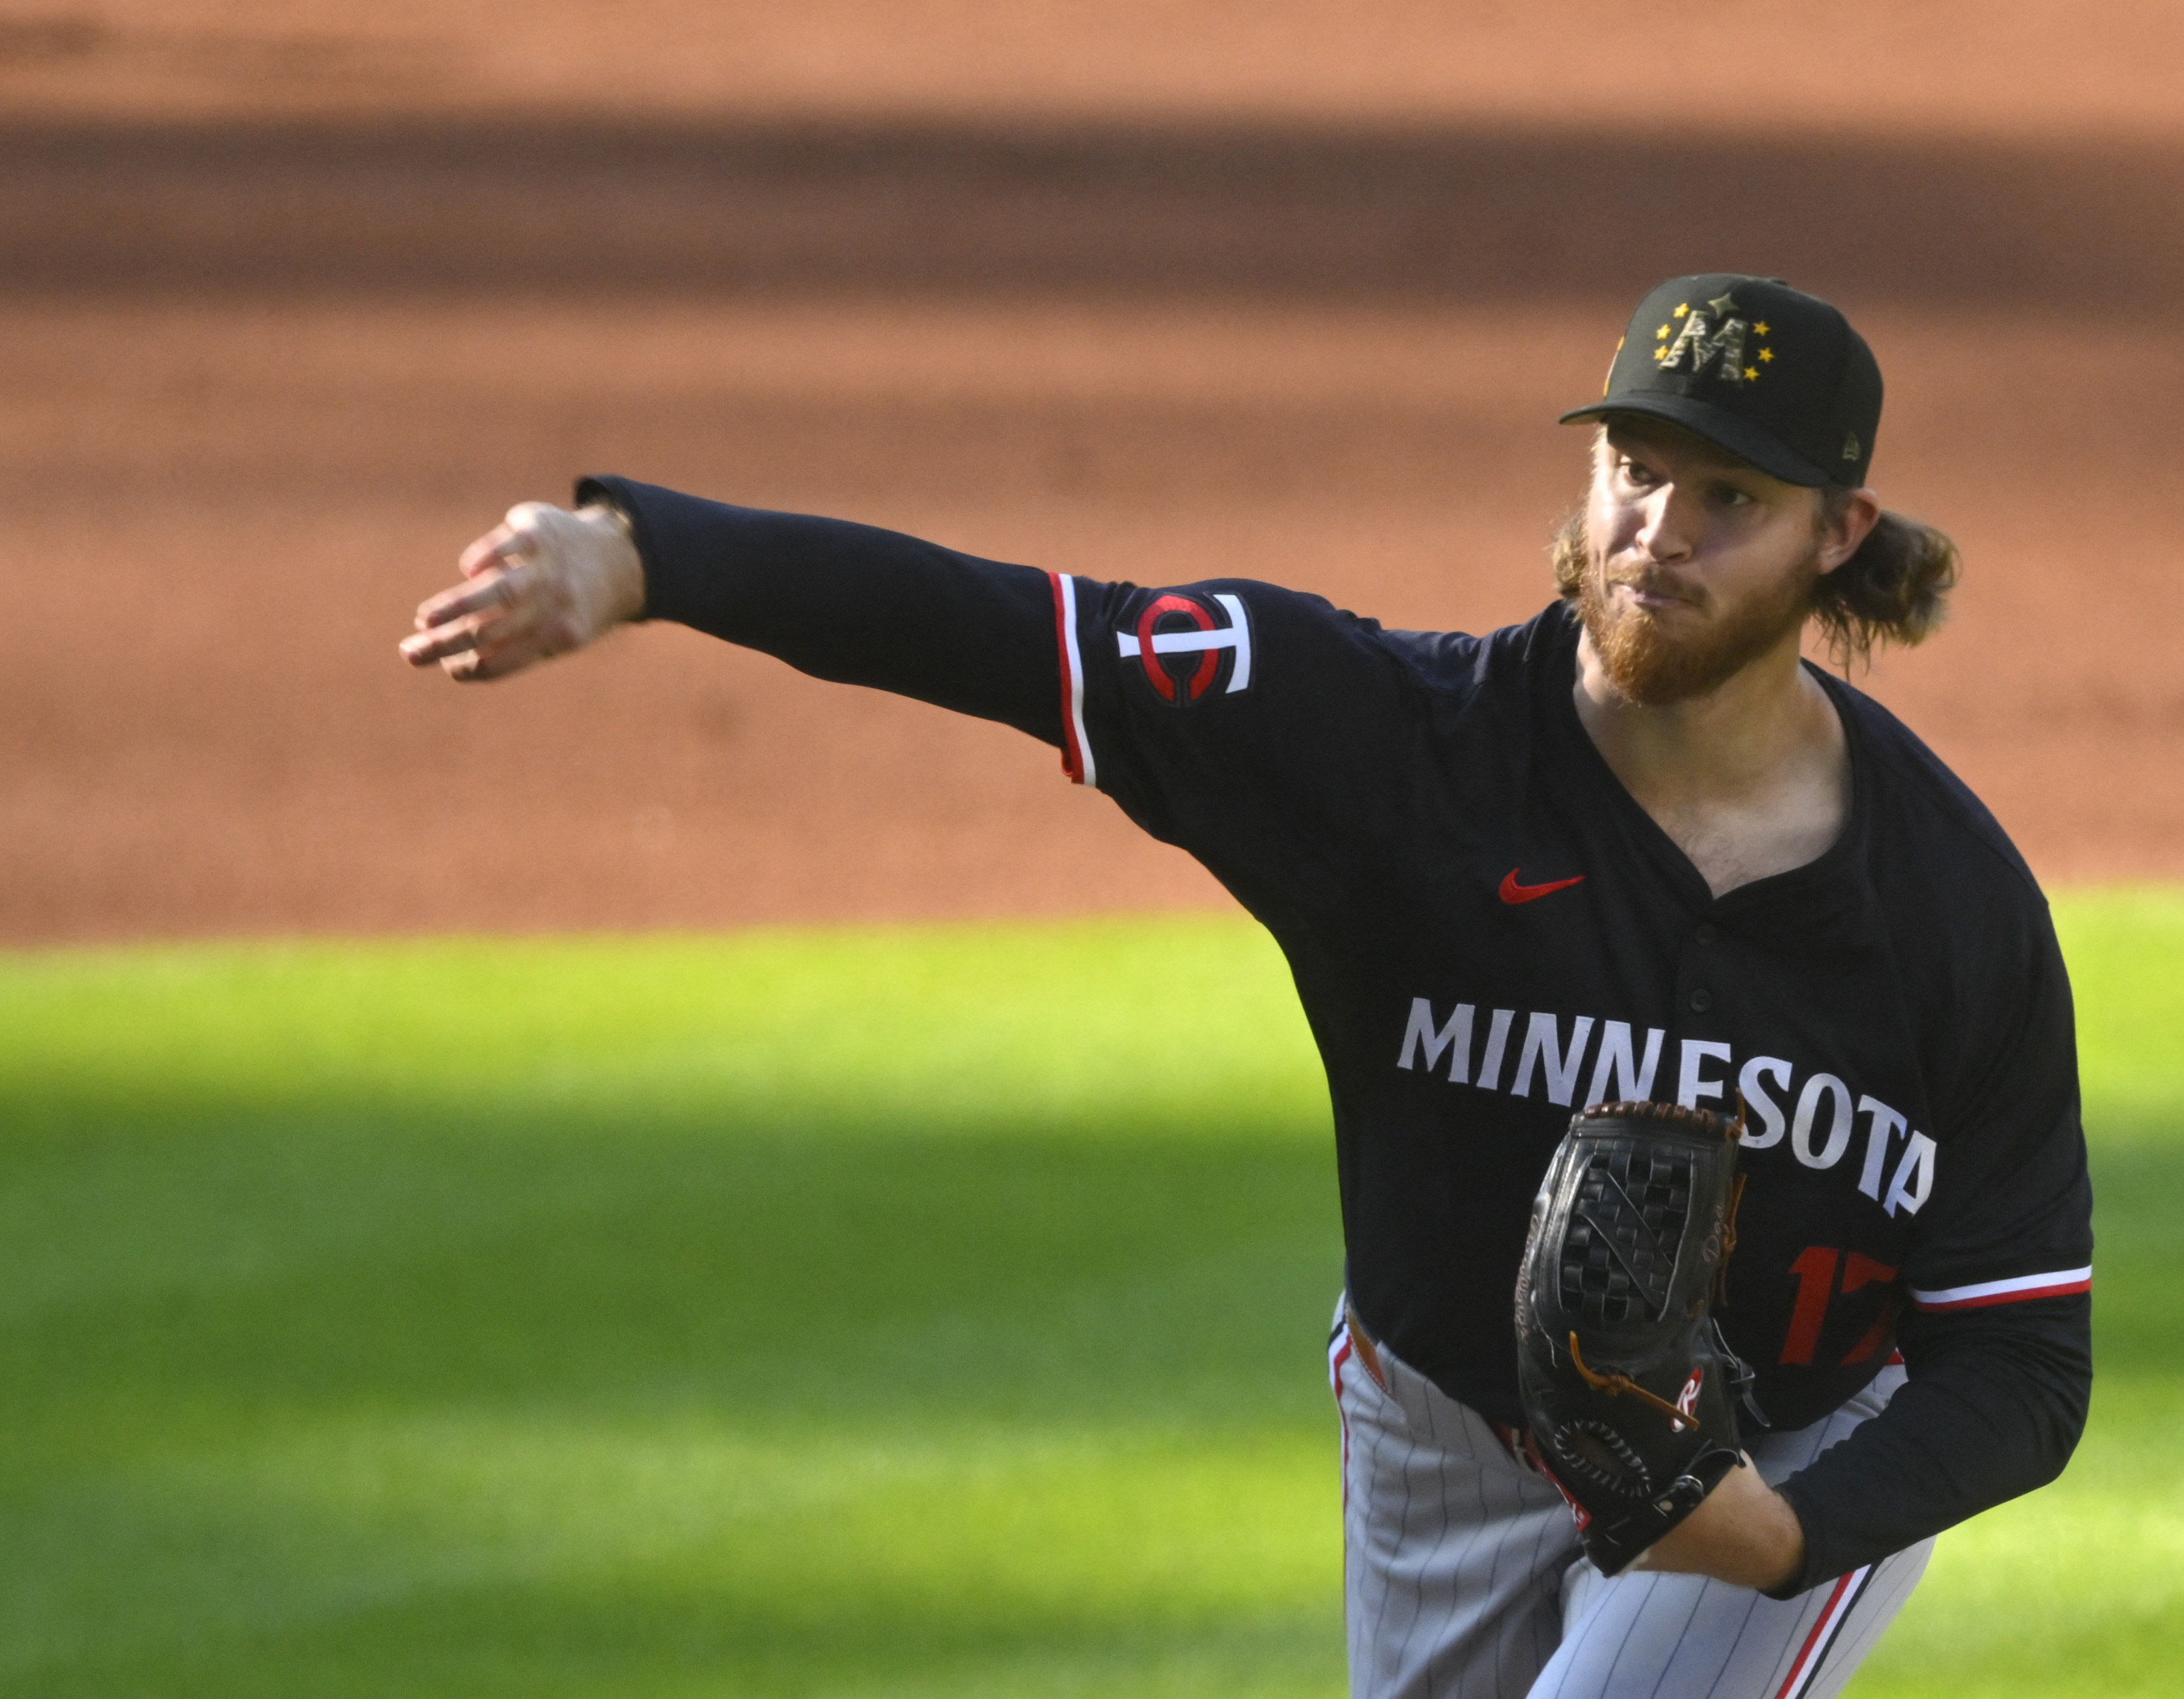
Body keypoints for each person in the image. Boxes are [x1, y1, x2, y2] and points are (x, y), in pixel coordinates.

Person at [399, 275, 2092, 1699]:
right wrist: (644, 559)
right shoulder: (1384, 743)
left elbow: (2018, 1362)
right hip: (1435, 1427)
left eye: (1727, 498)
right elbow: (1015, 631)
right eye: (1633, 470)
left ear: (1837, 536)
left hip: (1776, 1450)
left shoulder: (1951, 914)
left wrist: (1782, 1531)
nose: (1658, 531)